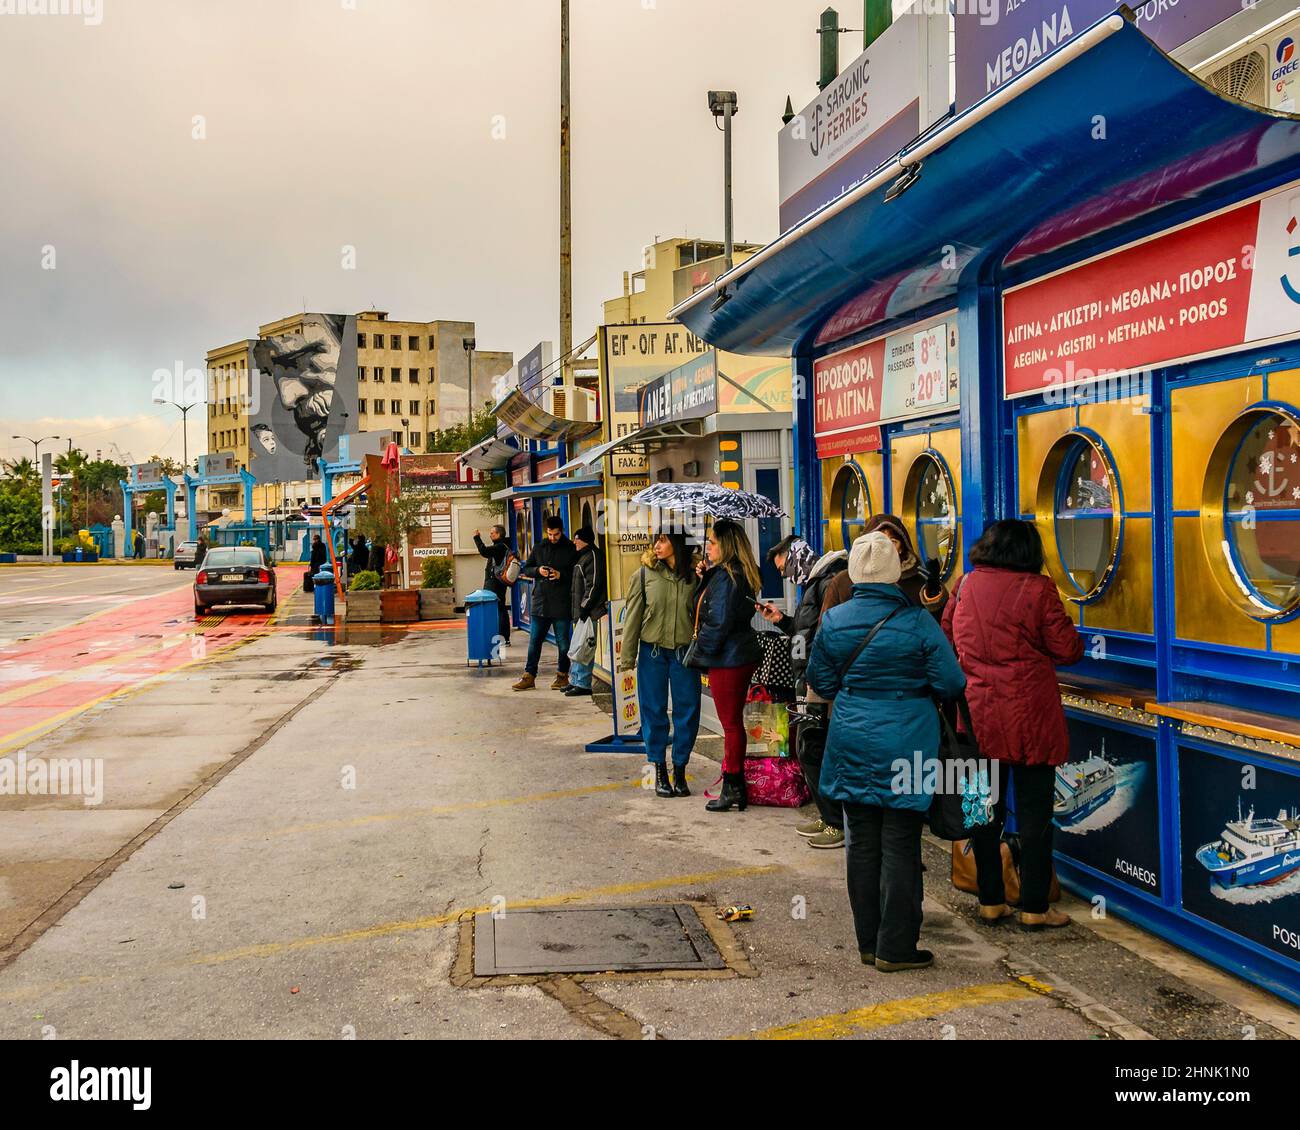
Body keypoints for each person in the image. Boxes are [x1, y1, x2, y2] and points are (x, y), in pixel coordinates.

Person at [806, 531, 966, 972]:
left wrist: (857, 692)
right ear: (896, 573)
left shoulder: (834, 621)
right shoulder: (918, 622)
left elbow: (820, 683)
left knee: (860, 843)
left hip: (852, 738)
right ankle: (896, 947)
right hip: (908, 742)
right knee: (900, 841)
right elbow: (952, 683)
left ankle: (867, 942)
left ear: (854, 572)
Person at [942, 519, 1084, 930]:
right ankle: (1035, 908)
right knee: (1036, 815)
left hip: (974, 718)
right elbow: (1067, 649)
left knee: (981, 813)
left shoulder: (965, 585)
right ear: (1028, 552)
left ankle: (990, 900)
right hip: (1028, 719)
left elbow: (947, 634)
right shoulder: (1038, 589)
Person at [758, 534, 849, 848]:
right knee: (811, 748)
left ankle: (836, 821)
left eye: (785, 568)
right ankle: (828, 817)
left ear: (795, 555)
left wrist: (815, 682)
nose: (786, 576)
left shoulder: (828, 583)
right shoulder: (815, 583)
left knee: (813, 748)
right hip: (808, 683)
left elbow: (825, 637)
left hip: (818, 686)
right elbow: (805, 632)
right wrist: (783, 621)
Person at [620, 532, 701, 798]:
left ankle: (680, 768)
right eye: (656, 540)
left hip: (684, 654)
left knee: (687, 711)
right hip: (652, 652)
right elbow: (633, 617)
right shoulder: (644, 575)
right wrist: (627, 658)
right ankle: (659, 769)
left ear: (676, 544)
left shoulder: (695, 575)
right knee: (653, 711)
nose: (656, 546)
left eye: (663, 540)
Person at [693, 519, 763, 813]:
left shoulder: (727, 577)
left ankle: (733, 786)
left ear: (727, 545)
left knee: (731, 724)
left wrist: (701, 653)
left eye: (712, 542)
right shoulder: (737, 573)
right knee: (734, 722)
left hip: (728, 657)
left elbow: (718, 621)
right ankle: (735, 786)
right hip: (740, 654)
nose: (708, 547)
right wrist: (705, 578)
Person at [821, 514, 948, 622]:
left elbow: (934, 628)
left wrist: (934, 597)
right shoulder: (842, 582)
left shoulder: (920, 581)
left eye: (892, 541)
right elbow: (824, 633)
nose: (885, 547)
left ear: (902, 547)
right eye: (878, 541)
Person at [513, 516, 578, 692]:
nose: (552, 538)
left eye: (556, 535)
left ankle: (562, 676)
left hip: (561, 603)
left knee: (563, 643)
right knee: (534, 642)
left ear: (561, 531)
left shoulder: (571, 548)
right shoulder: (540, 546)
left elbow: (576, 573)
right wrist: (538, 570)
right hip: (540, 602)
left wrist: (560, 575)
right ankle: (529, 676)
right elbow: (526, 568)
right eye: (549, 534)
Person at [566, 525, 607, 697]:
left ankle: (583, 683)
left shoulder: (593, 556)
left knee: (584, 648)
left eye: (577, 538)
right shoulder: (582, 557)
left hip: (590, 612)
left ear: (585, 540)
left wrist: (585, 606)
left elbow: (594, 584)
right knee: (577, 647)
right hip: (581, 613)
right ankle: (575, 680)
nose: (574, 541)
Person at [474, 525, 513, 647]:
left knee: (498, 609)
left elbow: (484, 551)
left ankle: (502, 637)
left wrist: (477, 538)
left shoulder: (500, 547)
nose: (490, 535)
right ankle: (501, 636)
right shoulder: (503, 546)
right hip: (497, 582)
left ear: (498, 534)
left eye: (492, 533)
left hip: (494, 583)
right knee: (499, 608)